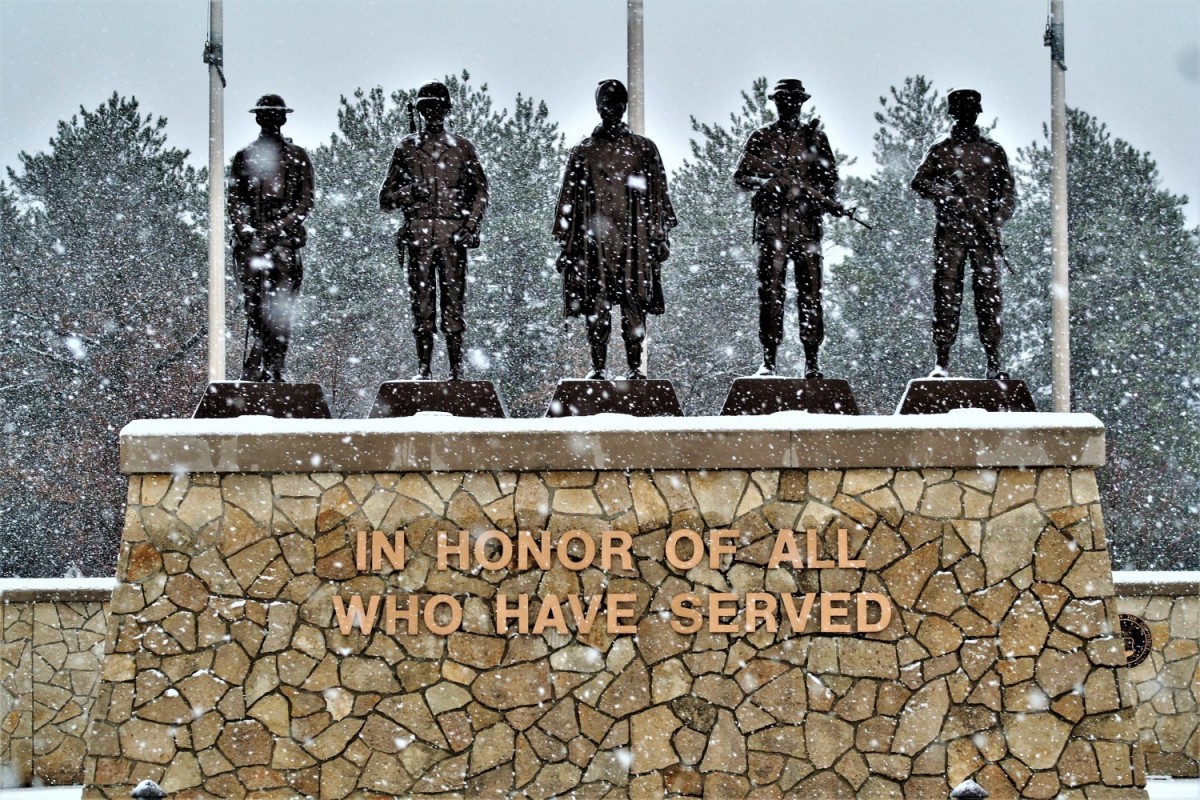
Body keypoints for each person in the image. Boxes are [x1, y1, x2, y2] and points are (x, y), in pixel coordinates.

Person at [553, 79, 677, 381]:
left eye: (617, 103)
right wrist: (566, 246)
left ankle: (636, 368)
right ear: (599, 108)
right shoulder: (584, 151)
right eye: (606, 104)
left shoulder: (643, 149)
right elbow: (568, 200)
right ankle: (598, 368)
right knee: (597, 305)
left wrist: (660, 236)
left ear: (624, 107)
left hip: (635, 243)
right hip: (594, 245)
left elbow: (658, 196)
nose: (612, 110)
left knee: (635, 305)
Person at [380, 81, 489, 381]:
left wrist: (470, 226)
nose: (433, 113)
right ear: (420, 111)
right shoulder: (406, 148)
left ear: (446, 109)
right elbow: (385, 199)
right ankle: (424, 369)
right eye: (427, 107)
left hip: (453, 237)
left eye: (438, 107)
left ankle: (456, 370)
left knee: (454, 306)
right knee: (422, 308)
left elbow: (480, 192)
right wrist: (410, 191)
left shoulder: (463, 148)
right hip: (419, 238)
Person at [734, 78, 838, 379]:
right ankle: (768, 360)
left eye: (794, 100)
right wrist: (769, 184)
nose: (789, 105)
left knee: (811, 295)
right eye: (783, 100)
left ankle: (812, 361)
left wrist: (821, 199)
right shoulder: (761, 137)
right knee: (771, 295)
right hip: (772, 227)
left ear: (802, 103)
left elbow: (831, 181)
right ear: (776, 103)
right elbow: (741, 177)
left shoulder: (815, 139)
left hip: (807, 227)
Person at [911, 88, 1016, 379]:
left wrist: (996, 220)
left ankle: (993, 361)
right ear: (953, 114)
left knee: (989, 297)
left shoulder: (993, 152)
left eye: (971, 111)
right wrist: (946, 195)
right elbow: (919, 182)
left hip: (983, 235)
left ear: (977, 113)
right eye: (961, 112)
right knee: (946, 295)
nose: (966, 116)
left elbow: (1008, 194)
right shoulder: (941, 149)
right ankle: (942, 361)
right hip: (950, 234)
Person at [228, 94, 315, 382]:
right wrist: (247, 232)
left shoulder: (298, 156)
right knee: (254, 308)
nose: (270, 120)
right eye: (264, 115)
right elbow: (234, 202)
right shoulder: (244, 157)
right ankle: (259, 360)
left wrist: (277, 229)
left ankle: (276, 365)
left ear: (283, 118)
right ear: (257, 118)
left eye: (275, 115)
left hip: (284, 245)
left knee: (281, 309)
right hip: (251, 248)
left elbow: (305, 202)